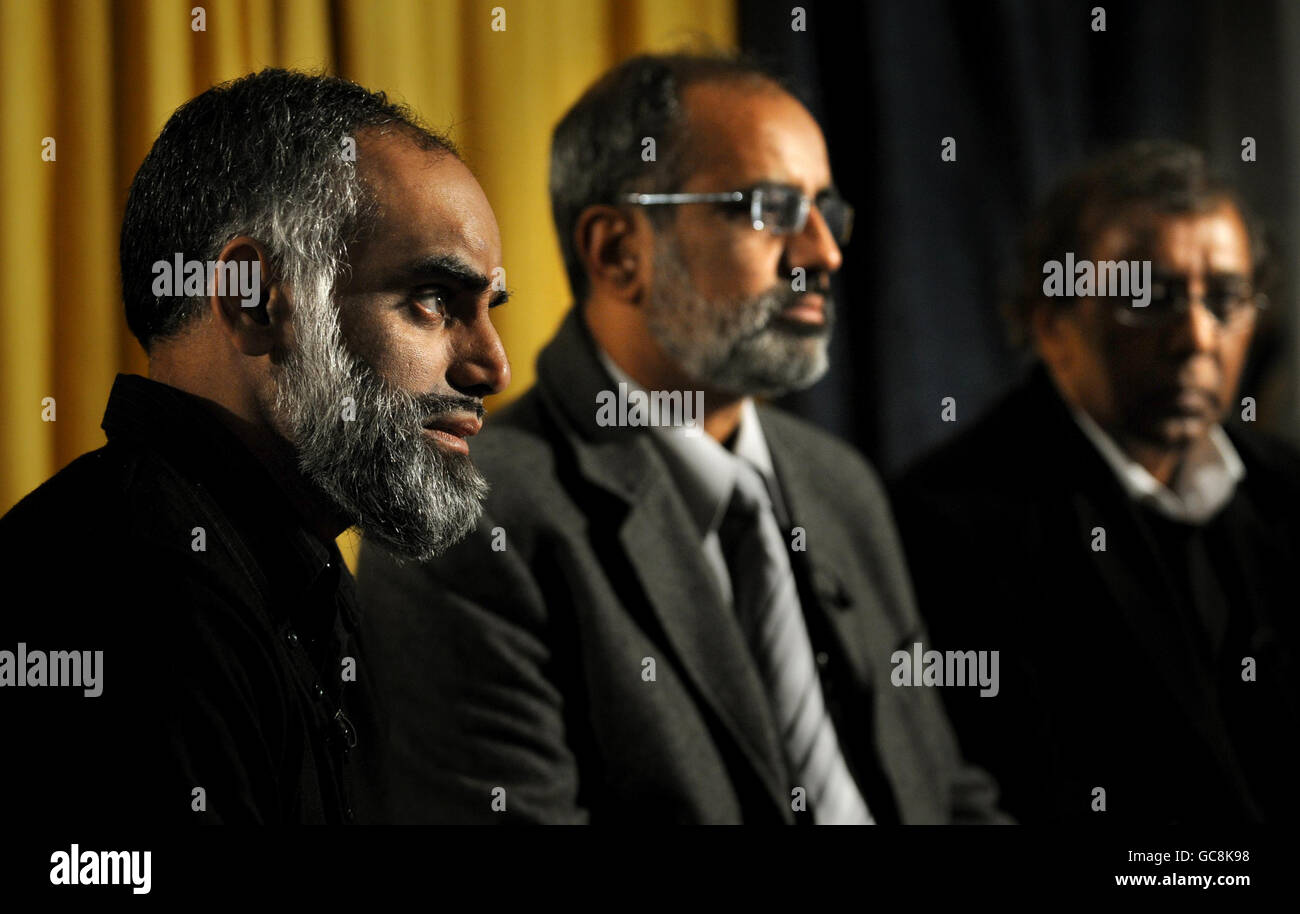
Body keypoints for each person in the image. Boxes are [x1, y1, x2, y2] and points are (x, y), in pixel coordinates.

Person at [357, 53, 1005, 824]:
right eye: (769, 210)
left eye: (827, 213)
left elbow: (945, 792)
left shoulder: (842, 486)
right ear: (619, 253)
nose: (823, 255)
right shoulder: (469, 521)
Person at [0, 68, 510, 823]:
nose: (493, 366)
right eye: (434, 300)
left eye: (489, 308)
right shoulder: (129, 592)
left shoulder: (296, 573)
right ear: (255, 299)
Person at [890, 140, 1300, 823]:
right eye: (1149, 299)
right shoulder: (949, 526)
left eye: (1226, 298)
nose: (1197, 336)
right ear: (1052, 324)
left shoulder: (1287, 491)